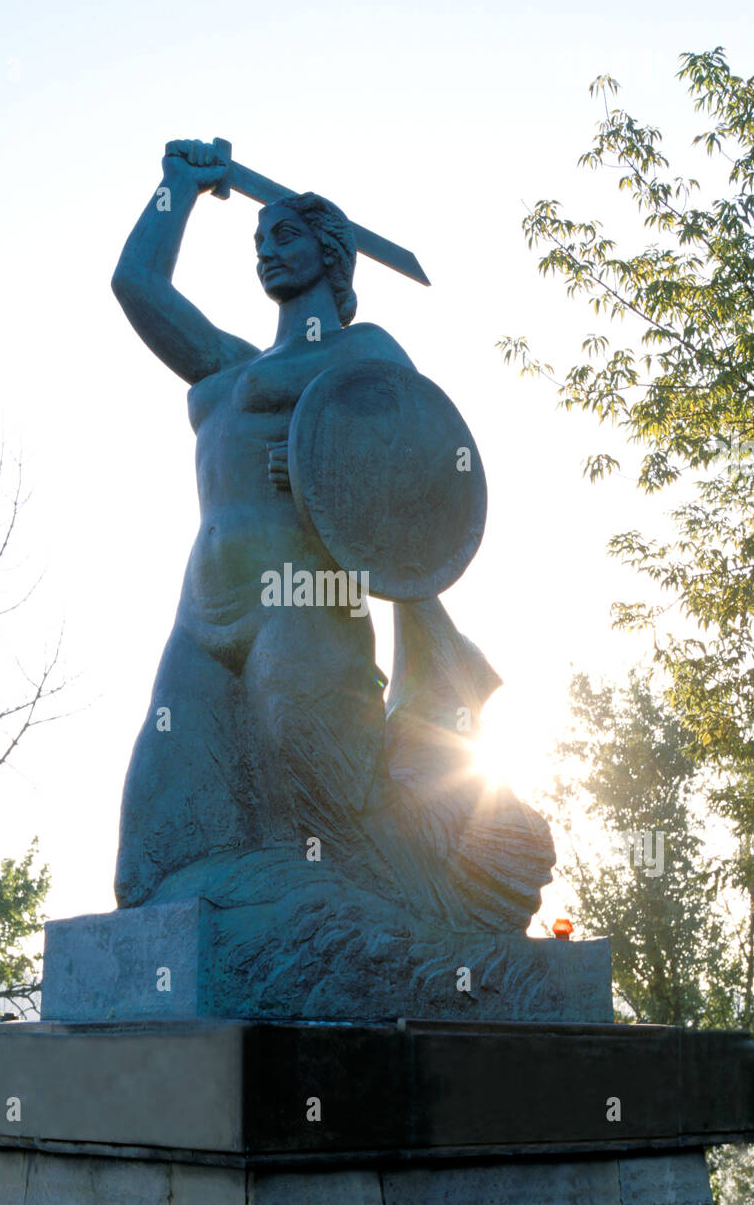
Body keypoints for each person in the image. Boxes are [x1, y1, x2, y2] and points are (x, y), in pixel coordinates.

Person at [111, 139, 554, 931]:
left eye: (284, 237)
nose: (265, 253)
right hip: (205, 616)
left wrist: (327, 468)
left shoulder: (363, 350)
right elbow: (135, 284)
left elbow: (413, 467)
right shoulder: (225, 364)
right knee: (151, 861)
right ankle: (257, 926)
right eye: (258, 242)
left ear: (330, 253)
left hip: (306, 604)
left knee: (333, 837)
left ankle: (414, 912)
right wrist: (177, 187)